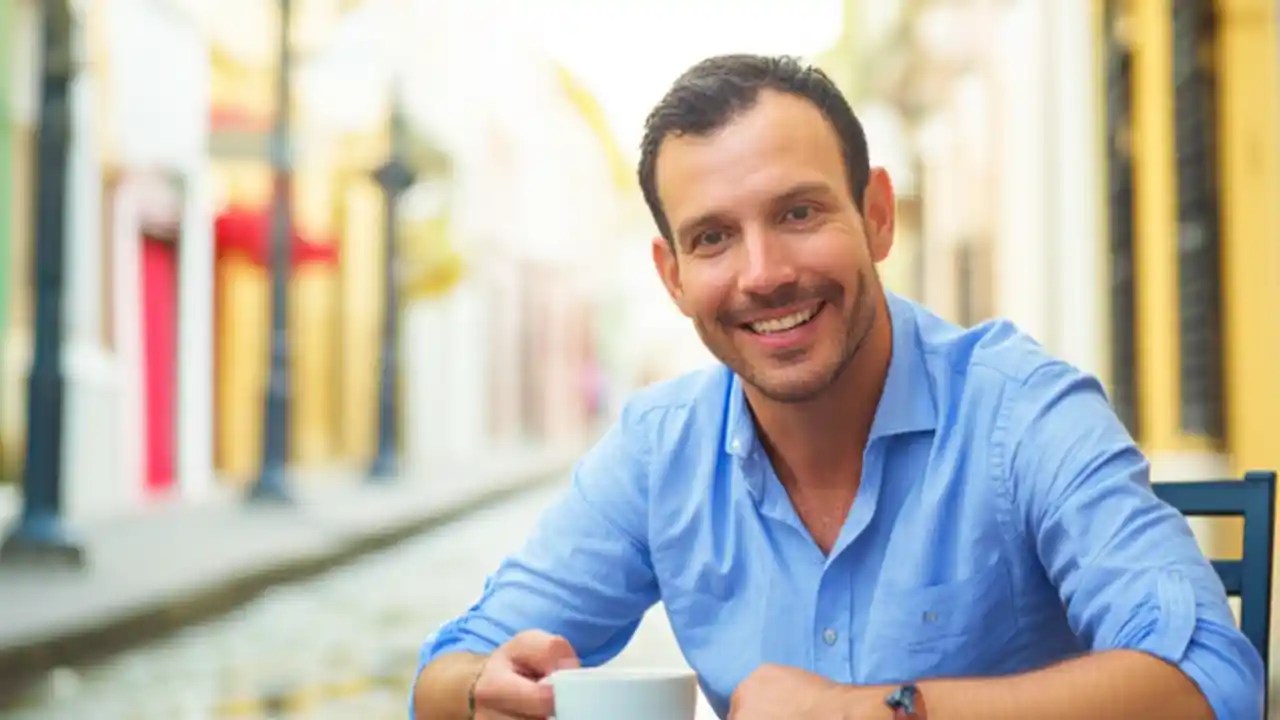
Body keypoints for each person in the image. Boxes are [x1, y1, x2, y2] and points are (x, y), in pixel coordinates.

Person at [411, 54, 1263, 719]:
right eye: (713, 238)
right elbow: (449, 669)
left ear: (878, 215)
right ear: (672, 277)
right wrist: (487, 687)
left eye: (798, 213)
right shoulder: (657, 451)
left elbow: (1212, 684)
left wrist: (875, 713)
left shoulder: (1023, 411)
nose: (764, 274)